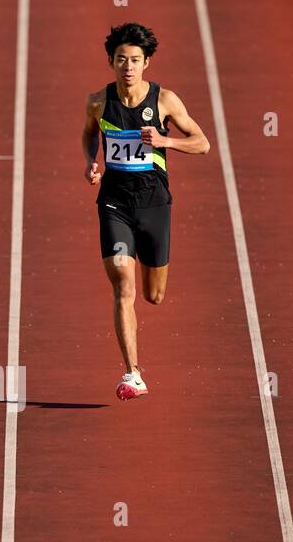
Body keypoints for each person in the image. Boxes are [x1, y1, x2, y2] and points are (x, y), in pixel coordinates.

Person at [81, 22, 211, 400]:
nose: (128, 66)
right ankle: (132, 374)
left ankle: (134, 365)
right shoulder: (98, 101)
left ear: (146, 63)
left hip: (154, 204)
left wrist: (165, 139)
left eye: (135, 60)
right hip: (114, 204)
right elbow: (90, 133)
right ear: (111, 61)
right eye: (121, 59)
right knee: (124, 285)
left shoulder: (165, 100)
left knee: (154, 295)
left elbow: (202, 144)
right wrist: (92, 162)